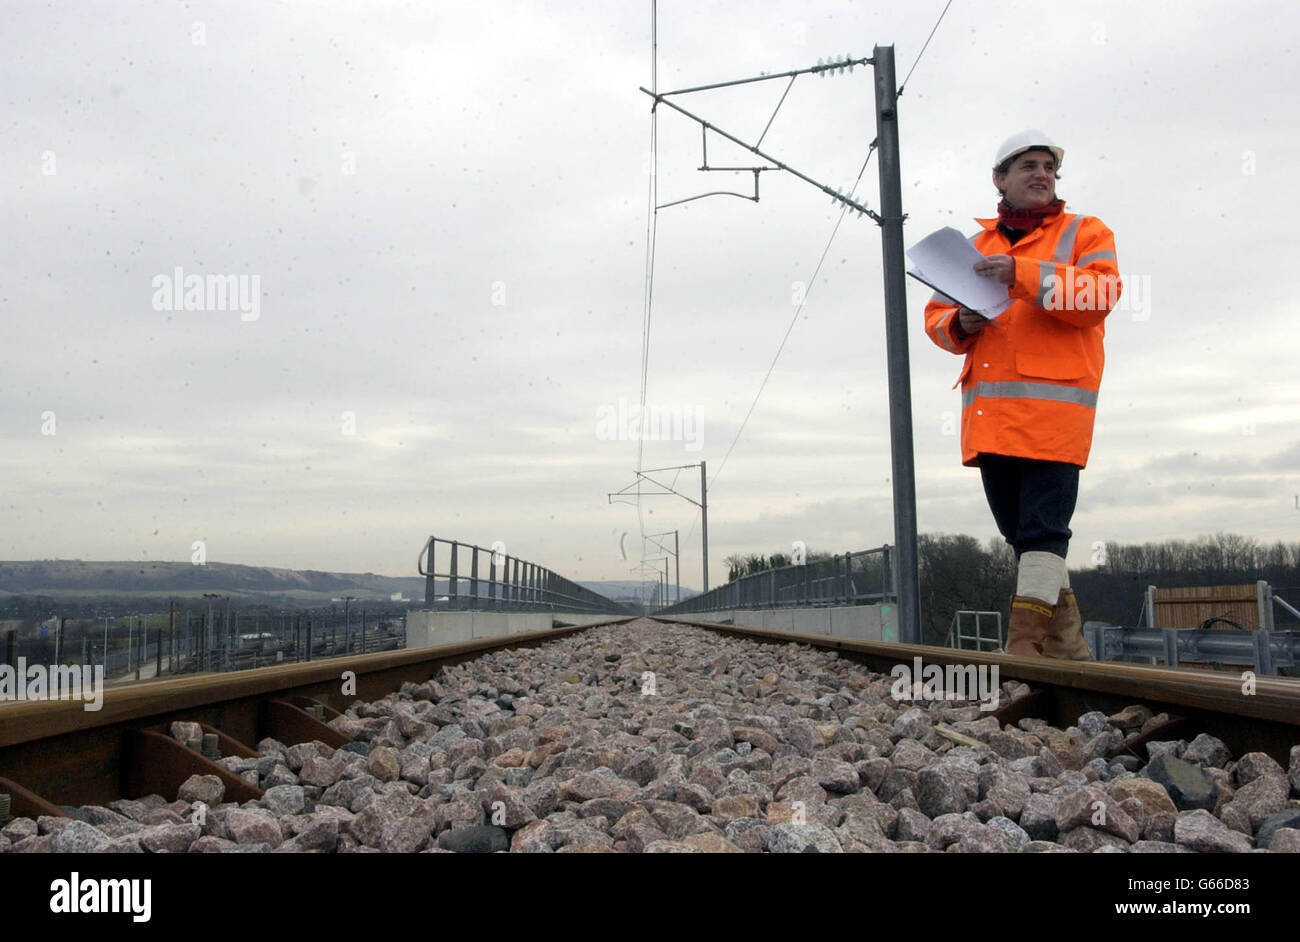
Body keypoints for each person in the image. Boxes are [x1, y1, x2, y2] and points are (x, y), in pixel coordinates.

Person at [923, 130, 1121, 659]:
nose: (1042, 174)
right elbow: (934, 323)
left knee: (1042, 531)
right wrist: (959, 322)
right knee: (1025, 539)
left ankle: (1023, 653)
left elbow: (1100, 295)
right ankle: (1071, 652)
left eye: (1049, 167)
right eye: (1028, 166)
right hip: (991, 419)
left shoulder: (1086, 231)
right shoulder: (972, 248)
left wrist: (1022, 275)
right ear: (1000, 178)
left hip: (1056, 412)